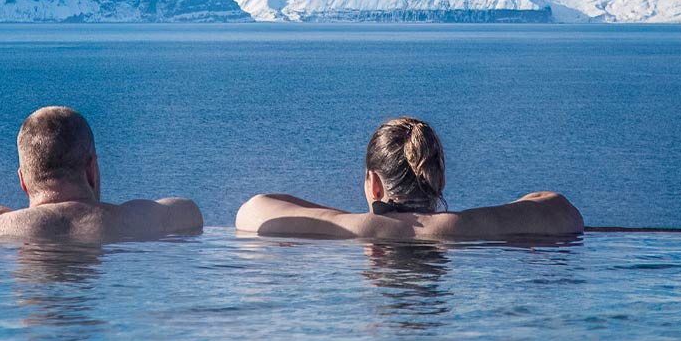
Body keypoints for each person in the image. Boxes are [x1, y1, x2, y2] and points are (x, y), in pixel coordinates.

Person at [235, 116, 583, 240]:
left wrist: (351, 216)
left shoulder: (352, 229)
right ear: (438, 179)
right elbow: (559, 208)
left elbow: (253, 209)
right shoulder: (468, 227)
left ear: (374, 182)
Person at [0, 106, 203, 240]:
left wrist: (3, 215)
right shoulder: (136, 222)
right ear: (92, 169)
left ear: (22, 180)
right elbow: (189, 209)